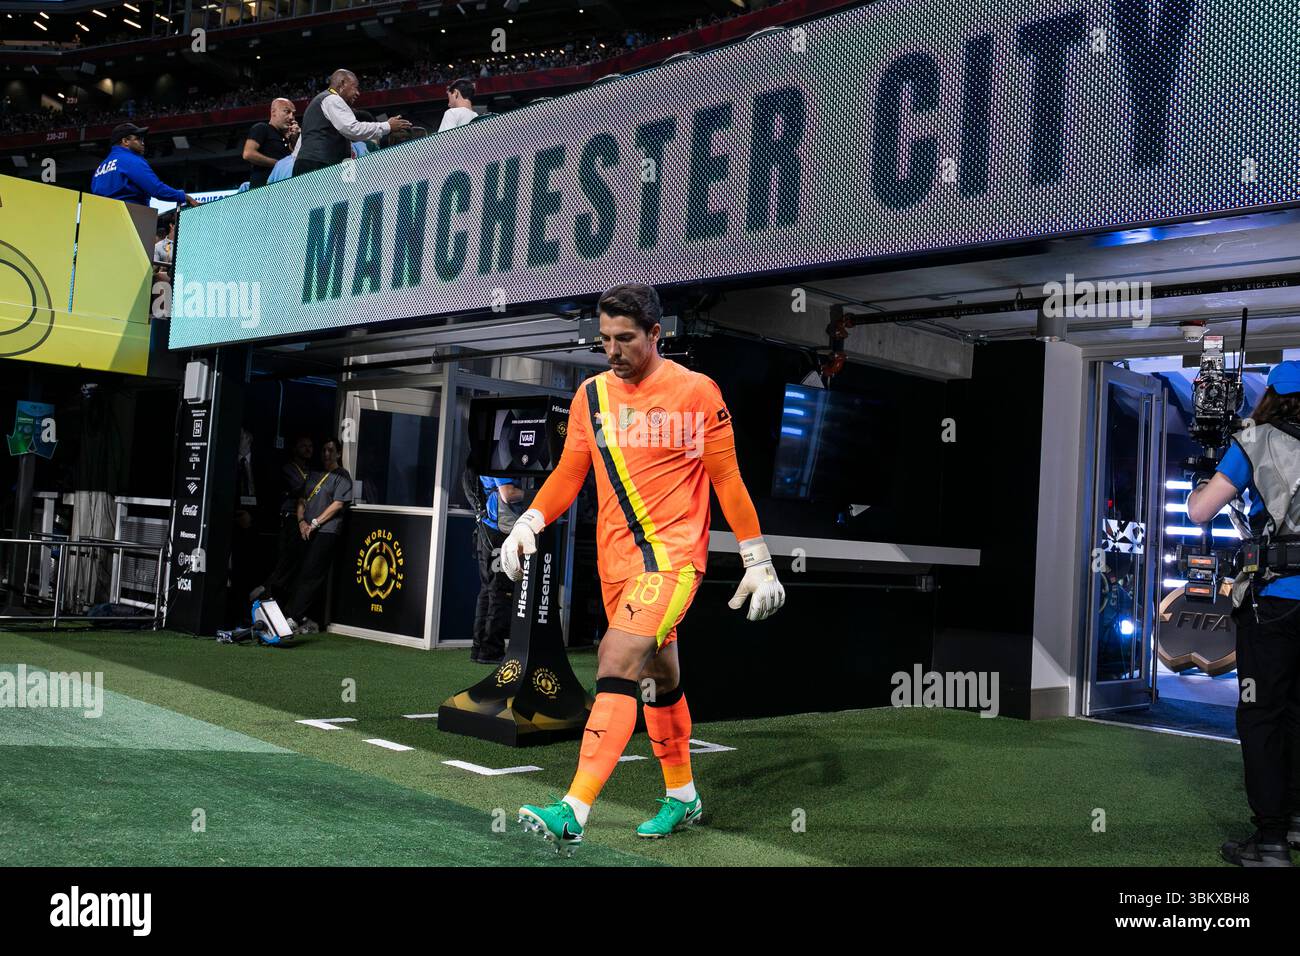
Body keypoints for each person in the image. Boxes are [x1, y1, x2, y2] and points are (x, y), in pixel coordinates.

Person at [505, 283, 785, 853]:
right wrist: (530, 520)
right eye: (605, 339)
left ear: (657, 334)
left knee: (615, 657)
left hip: (673, 557)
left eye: (625, 339)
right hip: (616, 563)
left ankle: (573, 809)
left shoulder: (696, 392)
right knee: (660, 678)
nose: (613, 350)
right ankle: (682, 795)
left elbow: (728, 479)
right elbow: (568, 473)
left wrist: (757, 559)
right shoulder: (590, 396)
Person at [1188, 360, 1300, 867]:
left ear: (1270, 394)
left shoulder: (1254, 441)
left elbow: (1199, 511)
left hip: (1272, 602)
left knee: (1262, 716)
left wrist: (1204, 478)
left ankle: (1271, 838)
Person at [281, 437, 353, 633]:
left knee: (312, 574)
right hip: (306, 530)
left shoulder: (342, 476)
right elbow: (302, 499)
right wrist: (301, 521)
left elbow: (337, 504)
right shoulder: (313, 474)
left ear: (338, 453)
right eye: (323, 450)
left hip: (326, 532)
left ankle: (293, 616)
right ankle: (295, 613)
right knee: (299, 571)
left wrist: (315, 523)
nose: (326, 454)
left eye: (331, 450)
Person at [292, 69, 411, 176]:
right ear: (343, 83)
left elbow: (299, 146)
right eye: (355, 87)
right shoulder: (332, 99)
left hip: (304, 166)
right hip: (320, 166)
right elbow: (352, 129)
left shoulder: (318, 103)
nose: (358, 93)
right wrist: (387, 126)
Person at [466, 462, 524, 664]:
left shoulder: (484, 456)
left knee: (487, 591)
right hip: (499, 533)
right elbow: (508, 494)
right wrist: (533, 494)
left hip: (485, 530)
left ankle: (479, 649)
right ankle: (491, 650)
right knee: (501, 592)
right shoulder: (499, 460)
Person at [250, 434, 313, 604]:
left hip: (307, 520)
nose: (308, 449)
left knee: (297, 564)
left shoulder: (311, 471)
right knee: (286, 561)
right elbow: (301, 490)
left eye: (310, 446)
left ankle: (275, 596)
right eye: (303, 445)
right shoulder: (288, 469)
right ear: (294, 449)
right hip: (290, 519)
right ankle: (265, 591)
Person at [91, 123, 200, 208]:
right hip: (130, 214)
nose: (142, 143)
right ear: (125, 141)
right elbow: (156, 189)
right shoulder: (130, 160)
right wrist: (183, 196)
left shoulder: (100, 168)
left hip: (102, 219)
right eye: (138, 139)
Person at [242, 97, 296, 189]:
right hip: (262, 191)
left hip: (281, 190)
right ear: (273, 112)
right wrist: (279, 165)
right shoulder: (262, 128)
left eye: (293, 113)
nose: (291, 117)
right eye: (287, 112)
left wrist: (294, 139)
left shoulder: (287, 137)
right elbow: (248, 154)